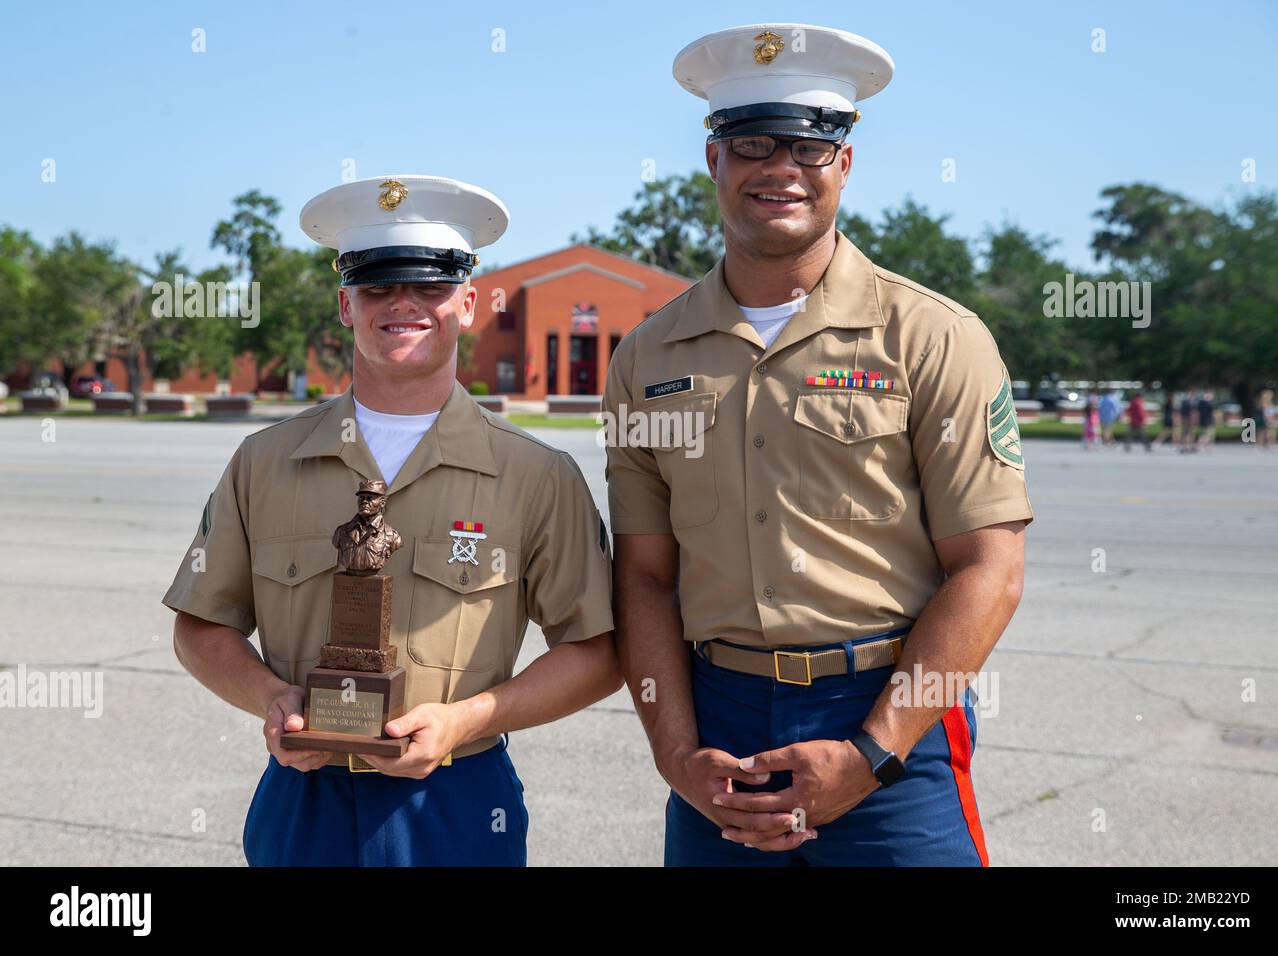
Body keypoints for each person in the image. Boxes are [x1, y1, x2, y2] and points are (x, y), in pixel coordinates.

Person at [604, 23, 1033, 866]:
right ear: (713, 159)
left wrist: (871, 752)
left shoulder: (934, 337)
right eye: (752, 142)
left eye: (807, 144)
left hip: (891, 721)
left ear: (844, 163)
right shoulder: (647, 357)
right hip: (716, 731)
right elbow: (646, 578)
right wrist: (676, 756)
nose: (780, 168)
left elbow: (990, 569)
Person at [163, 175, 620, 866]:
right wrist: (272, 698)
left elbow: (598, 651)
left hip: (454, 800)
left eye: (430, 286)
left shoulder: (536, 475)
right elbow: (202, 623)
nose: (403, 303)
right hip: (302, 799)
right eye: (377, 285)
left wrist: (464, 719)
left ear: (467, 303)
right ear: (346, 304)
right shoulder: (266, 461)